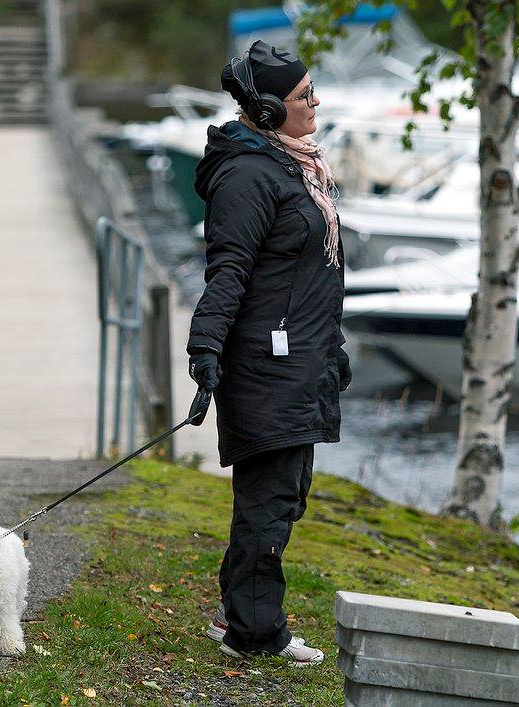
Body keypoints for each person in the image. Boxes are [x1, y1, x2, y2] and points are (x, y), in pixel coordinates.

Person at [187, 39, 350, 666]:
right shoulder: (250, 175)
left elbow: (308, 275)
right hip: (267, 365)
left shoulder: (291, 165)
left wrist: (331, 350)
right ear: (268, 110)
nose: (315, 104)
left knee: (285, 492)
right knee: (269, 500)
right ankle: (256, 634)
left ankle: (242, 617)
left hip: (300, 361)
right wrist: (205, 346)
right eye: (303, 96)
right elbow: (227, 269)